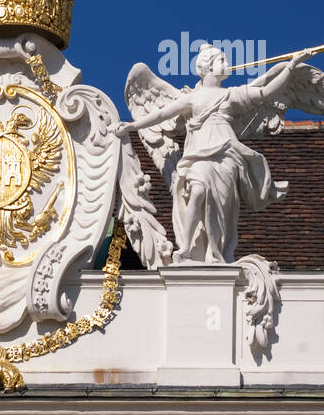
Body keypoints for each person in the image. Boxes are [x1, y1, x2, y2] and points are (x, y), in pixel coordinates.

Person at [114, 45, 309, 263]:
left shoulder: (231, 95)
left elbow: (265, 93)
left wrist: (290, 68)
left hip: (226, 153)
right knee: (197, 191)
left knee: (221, 205)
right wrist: (131, 126)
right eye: (222, 61)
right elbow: (160, 114)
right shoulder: (193, 98)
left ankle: (214, 253)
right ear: (208, 66)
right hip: (199, 152)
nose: (227, 65)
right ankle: (186, 247)